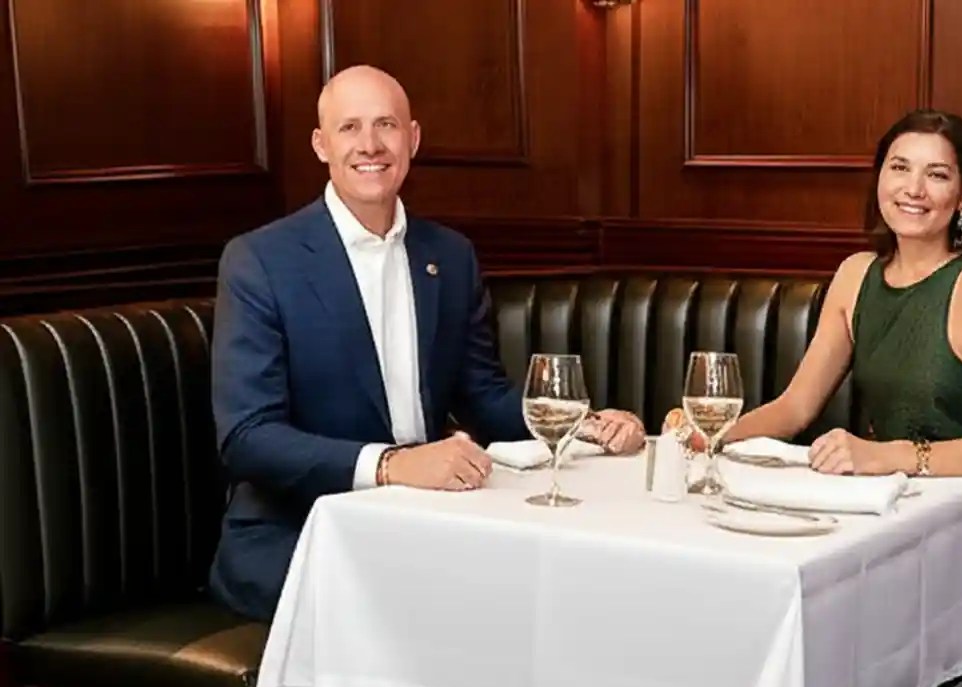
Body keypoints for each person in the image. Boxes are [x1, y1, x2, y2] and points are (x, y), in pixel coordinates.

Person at [207, 65, 645, 627]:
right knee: (459, 618)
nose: (370, 145)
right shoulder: (261, 260)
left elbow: (484, 396)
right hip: (297, 534)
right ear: (321, 146)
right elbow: (248, 438)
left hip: (429, 521)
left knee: (558, 593)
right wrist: (392, 466)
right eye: (349, 129)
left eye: (386, 125)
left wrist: (584, 424)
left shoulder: (451, 255)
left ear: (412, 138)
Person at [672, 109, 962, 478]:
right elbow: (794, 408)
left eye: (936, 174)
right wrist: (697, 437)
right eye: (900, 168)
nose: (913, 188)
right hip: (888, 500)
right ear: (880, 179)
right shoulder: (855, 274)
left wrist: (887, 456)